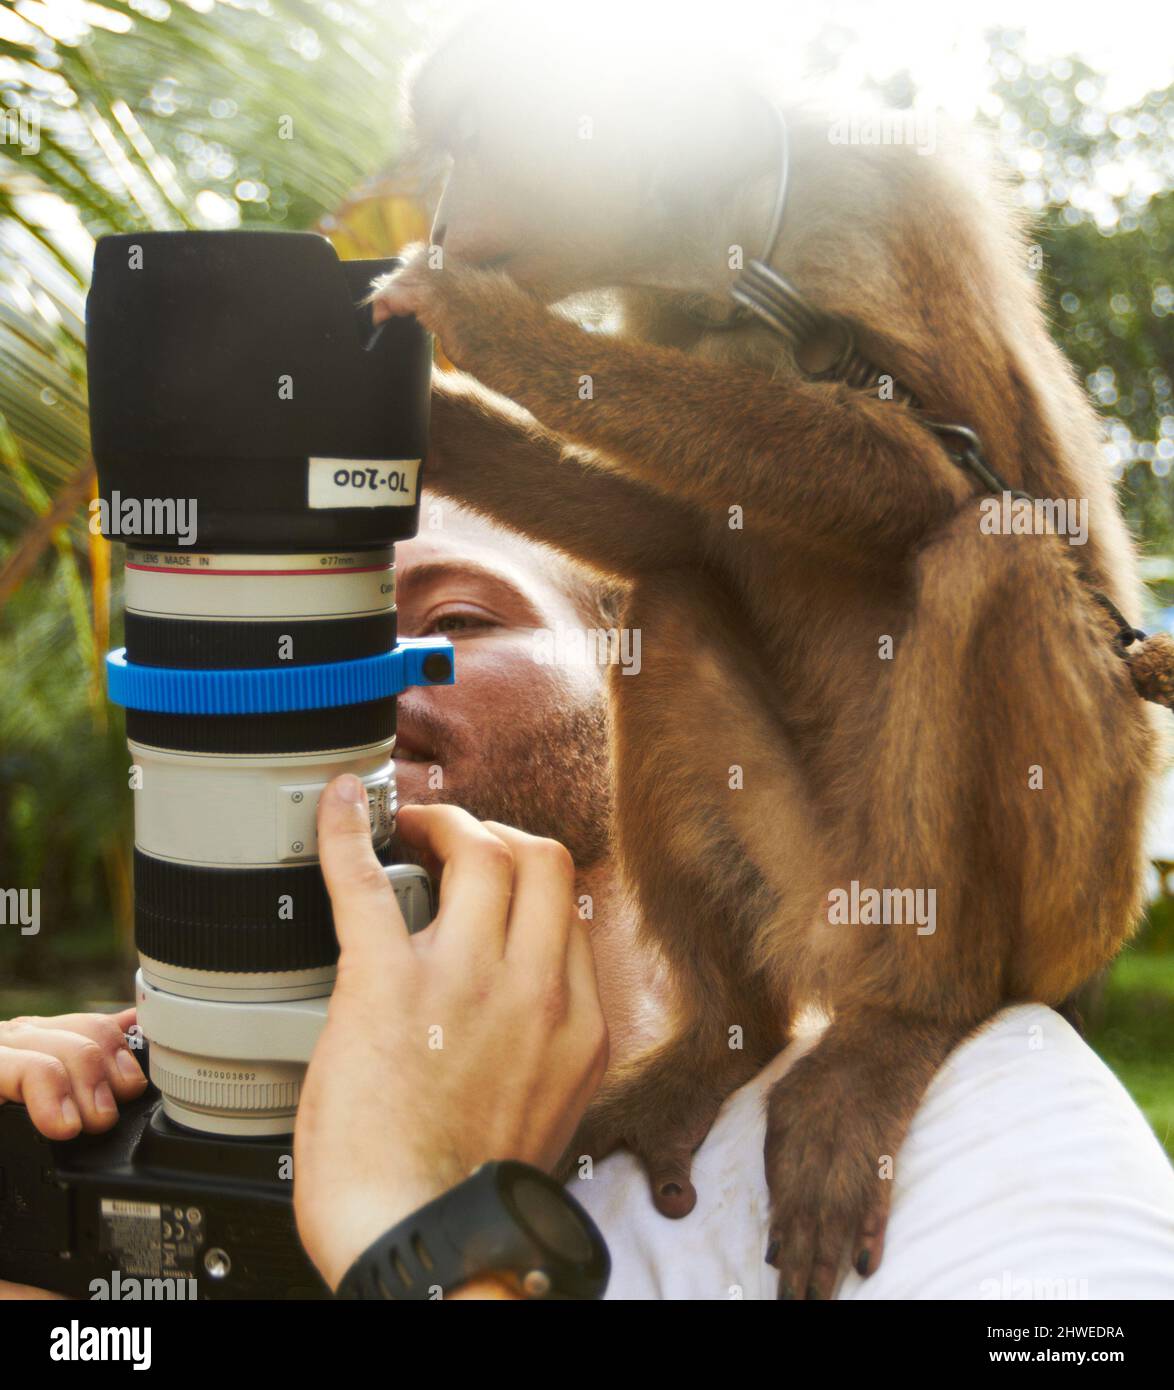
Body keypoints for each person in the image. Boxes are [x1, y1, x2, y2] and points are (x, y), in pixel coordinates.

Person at [3, 497, 1174, 1300]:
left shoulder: (971, 1109)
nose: (346, 690)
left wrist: (421, 1236)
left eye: (453, 619)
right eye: (304, 649)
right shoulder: (184, 1156)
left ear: (644, 680)